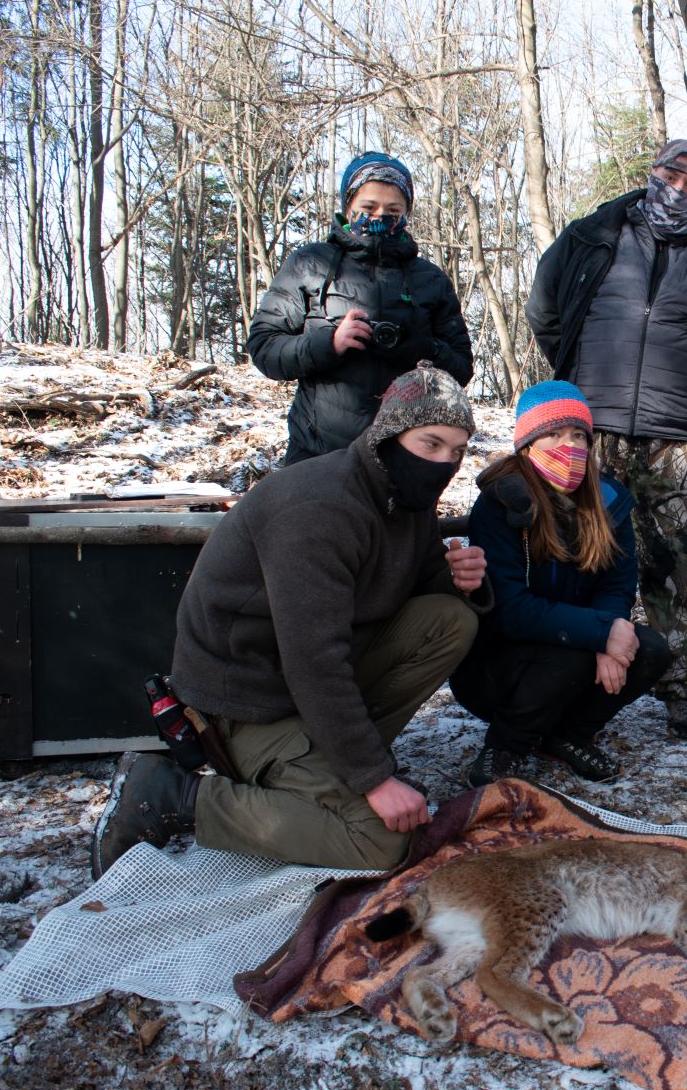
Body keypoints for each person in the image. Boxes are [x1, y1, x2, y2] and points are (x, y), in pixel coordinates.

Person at [90, 365, 491, 877]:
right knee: (379, 842)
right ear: (388, 435)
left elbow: (404, 581)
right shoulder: (318, 509)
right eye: (430, 443)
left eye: (456, 451)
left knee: (449, 619)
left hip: (297, 683)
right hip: (247, 702)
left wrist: (457, 576)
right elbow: (314, 659)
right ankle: (177, 794)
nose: (443, 463)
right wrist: (373, 778)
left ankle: (326, 763)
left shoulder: (400, 496)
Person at [525, 138, 687, 740]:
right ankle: (572, 670)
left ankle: (683, 688)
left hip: (678, 435)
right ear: (651, 172)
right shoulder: (591, 237)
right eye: (672, 174)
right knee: (584, 551)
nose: (680, 188)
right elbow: (545, 311)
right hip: (592, 428)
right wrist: (579, 368)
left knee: (676, 564)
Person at [450, 381, 673, 786]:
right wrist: (601, 633)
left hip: (568, 648)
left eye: (577, 435)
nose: (568, 446)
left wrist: (608, 634)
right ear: (527, 443)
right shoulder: (500, 501)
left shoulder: (610, 501)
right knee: (573, 649)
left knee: (651, 650)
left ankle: (567, 737)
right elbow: (509, 608)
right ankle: (504, 747)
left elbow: (616, 584)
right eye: (552, 434)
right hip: (495, 666)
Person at [248, 151, 474, 466]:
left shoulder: (430, 279)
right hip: (318, 452)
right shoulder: (310, 263)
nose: (380, 216)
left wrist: (426, 349)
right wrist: (329, 343)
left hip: (402, 457)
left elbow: (462, 367)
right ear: (348, 206)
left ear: (406, 212)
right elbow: (263, 347)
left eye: (393, 209)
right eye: (368, 207)